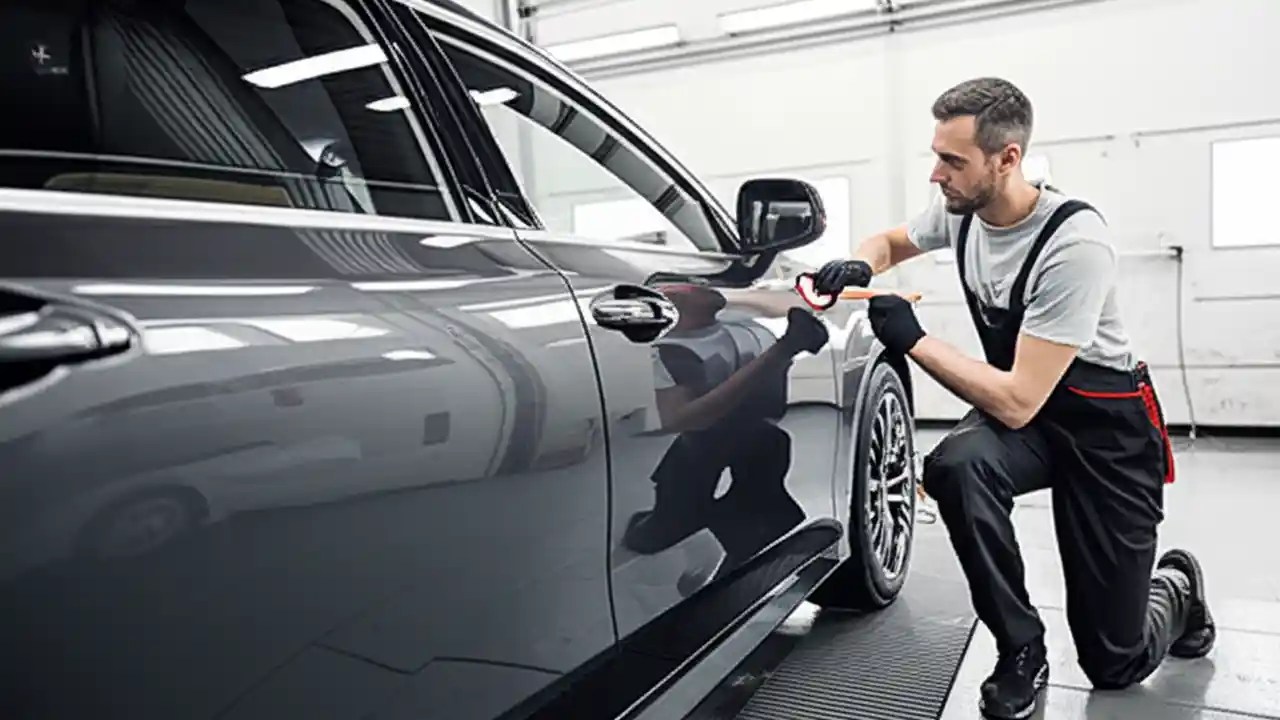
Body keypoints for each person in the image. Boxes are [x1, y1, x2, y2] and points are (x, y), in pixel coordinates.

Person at [811, 77, 1215, 719]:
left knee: (1116, 664)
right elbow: (889, 243)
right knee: (956, 466)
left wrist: (914, 341)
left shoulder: (1073, 245)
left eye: (953, 161)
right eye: (936, 155)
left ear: (1008, 158)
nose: (937, 175)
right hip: (1027, 418)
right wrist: (862, 265)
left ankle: (1178, 586)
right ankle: (1020, 647)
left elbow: (1020, 399)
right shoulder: (960, 213)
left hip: (1103, 428)